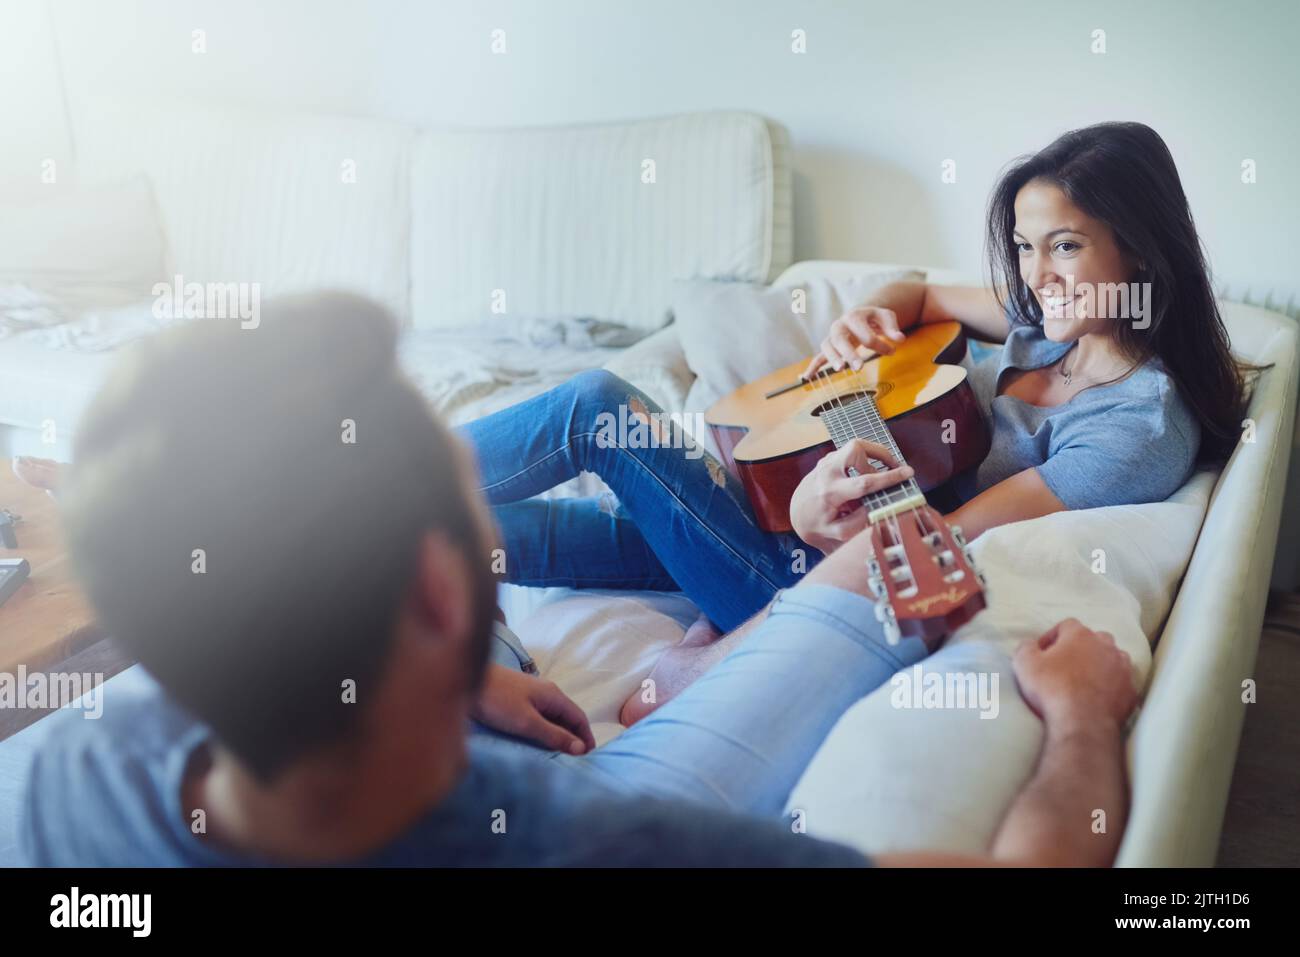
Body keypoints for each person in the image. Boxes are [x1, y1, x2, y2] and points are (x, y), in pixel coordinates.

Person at [24, 293, 1137, 867]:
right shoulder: (595, 846)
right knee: (878, 569)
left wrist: (462, 682)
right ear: (438, 593)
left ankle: (700, 642)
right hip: (606, 775)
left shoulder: (64, 769)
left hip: (446, 696)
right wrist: (1084, 716)